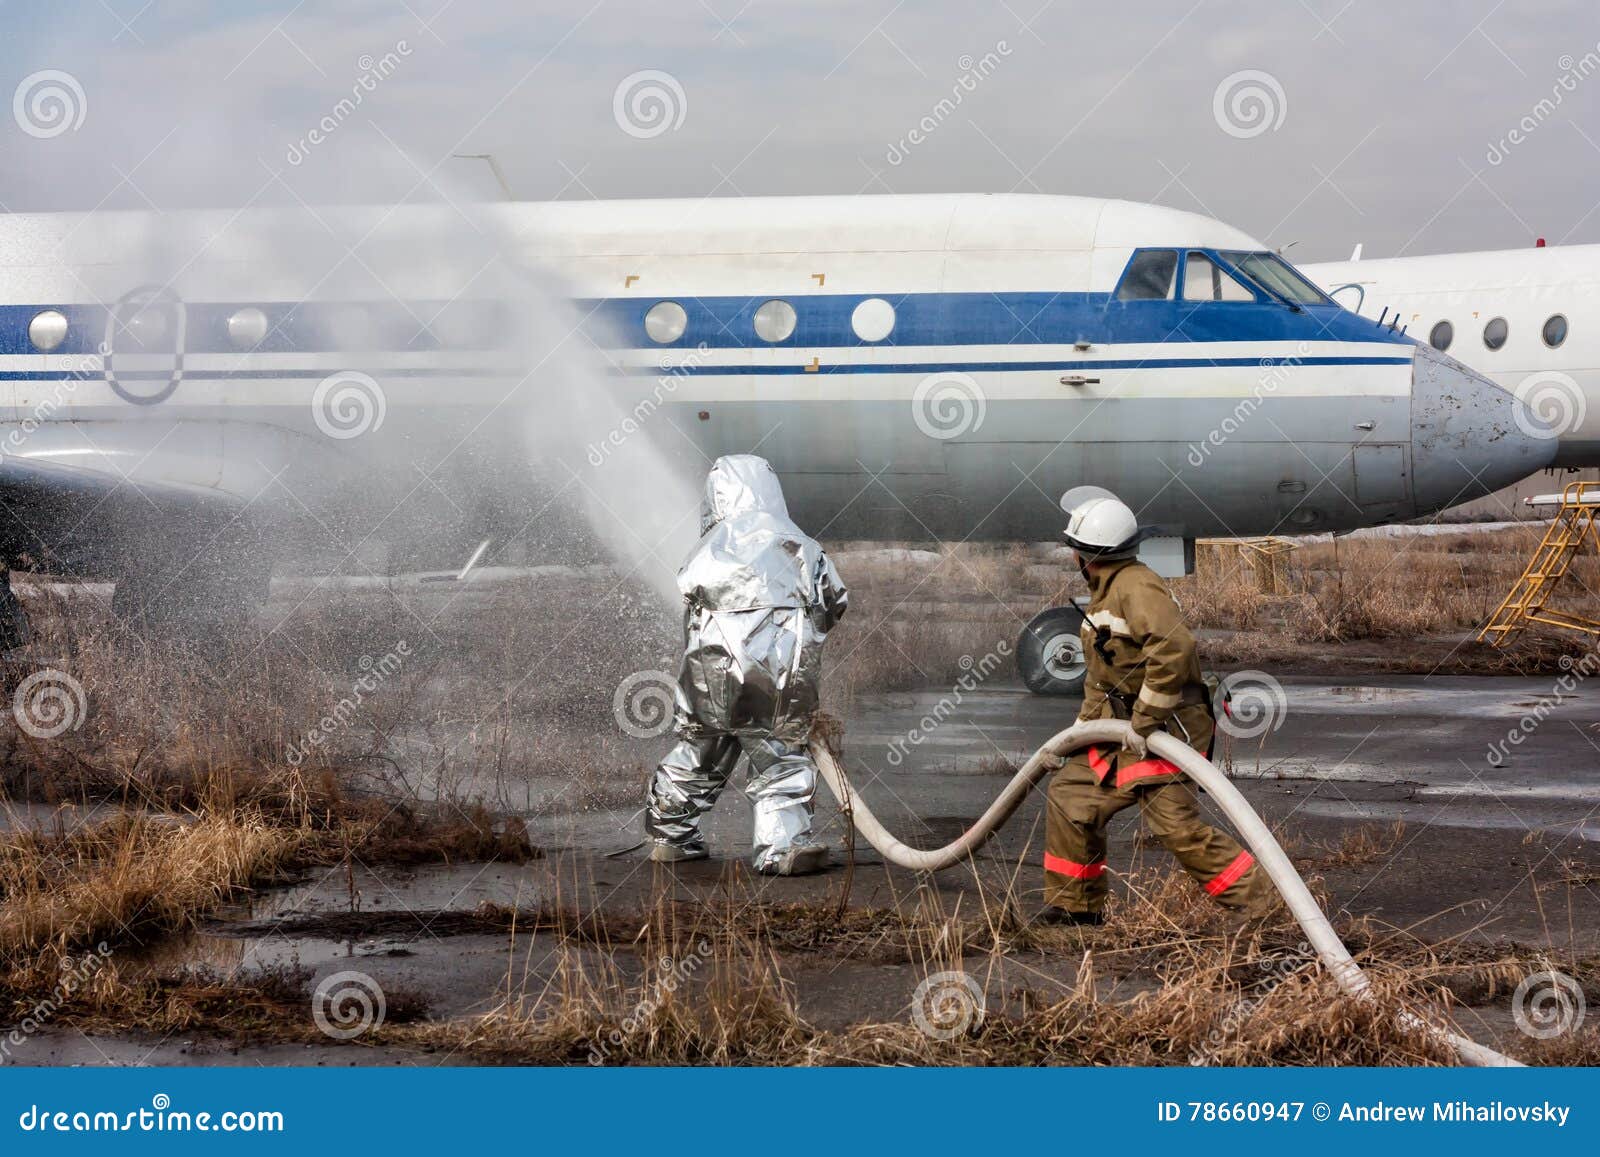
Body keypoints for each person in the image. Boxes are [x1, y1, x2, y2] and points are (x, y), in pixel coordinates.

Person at [1040, 488, 1267, 925]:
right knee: (1071, 796)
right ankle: (1075, 910)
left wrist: (1144, 723)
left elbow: (1173, 648)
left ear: (1084, 555)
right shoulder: (1107, 593)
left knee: (1177, 830)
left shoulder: (1136, 587)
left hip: (1168, 731)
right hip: (1118, 734)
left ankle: (1266, 909)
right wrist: (1071, 739)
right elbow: (1101, 681)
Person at [645, 454, 849, 875]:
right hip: (775, 687)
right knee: (780, 760)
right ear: (771, 492)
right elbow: (835, 602)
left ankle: (670, 835)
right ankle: (781, 848)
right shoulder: (803, 547)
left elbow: (689, 606)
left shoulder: (704, 551)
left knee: (700, 754)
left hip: (709, 684)